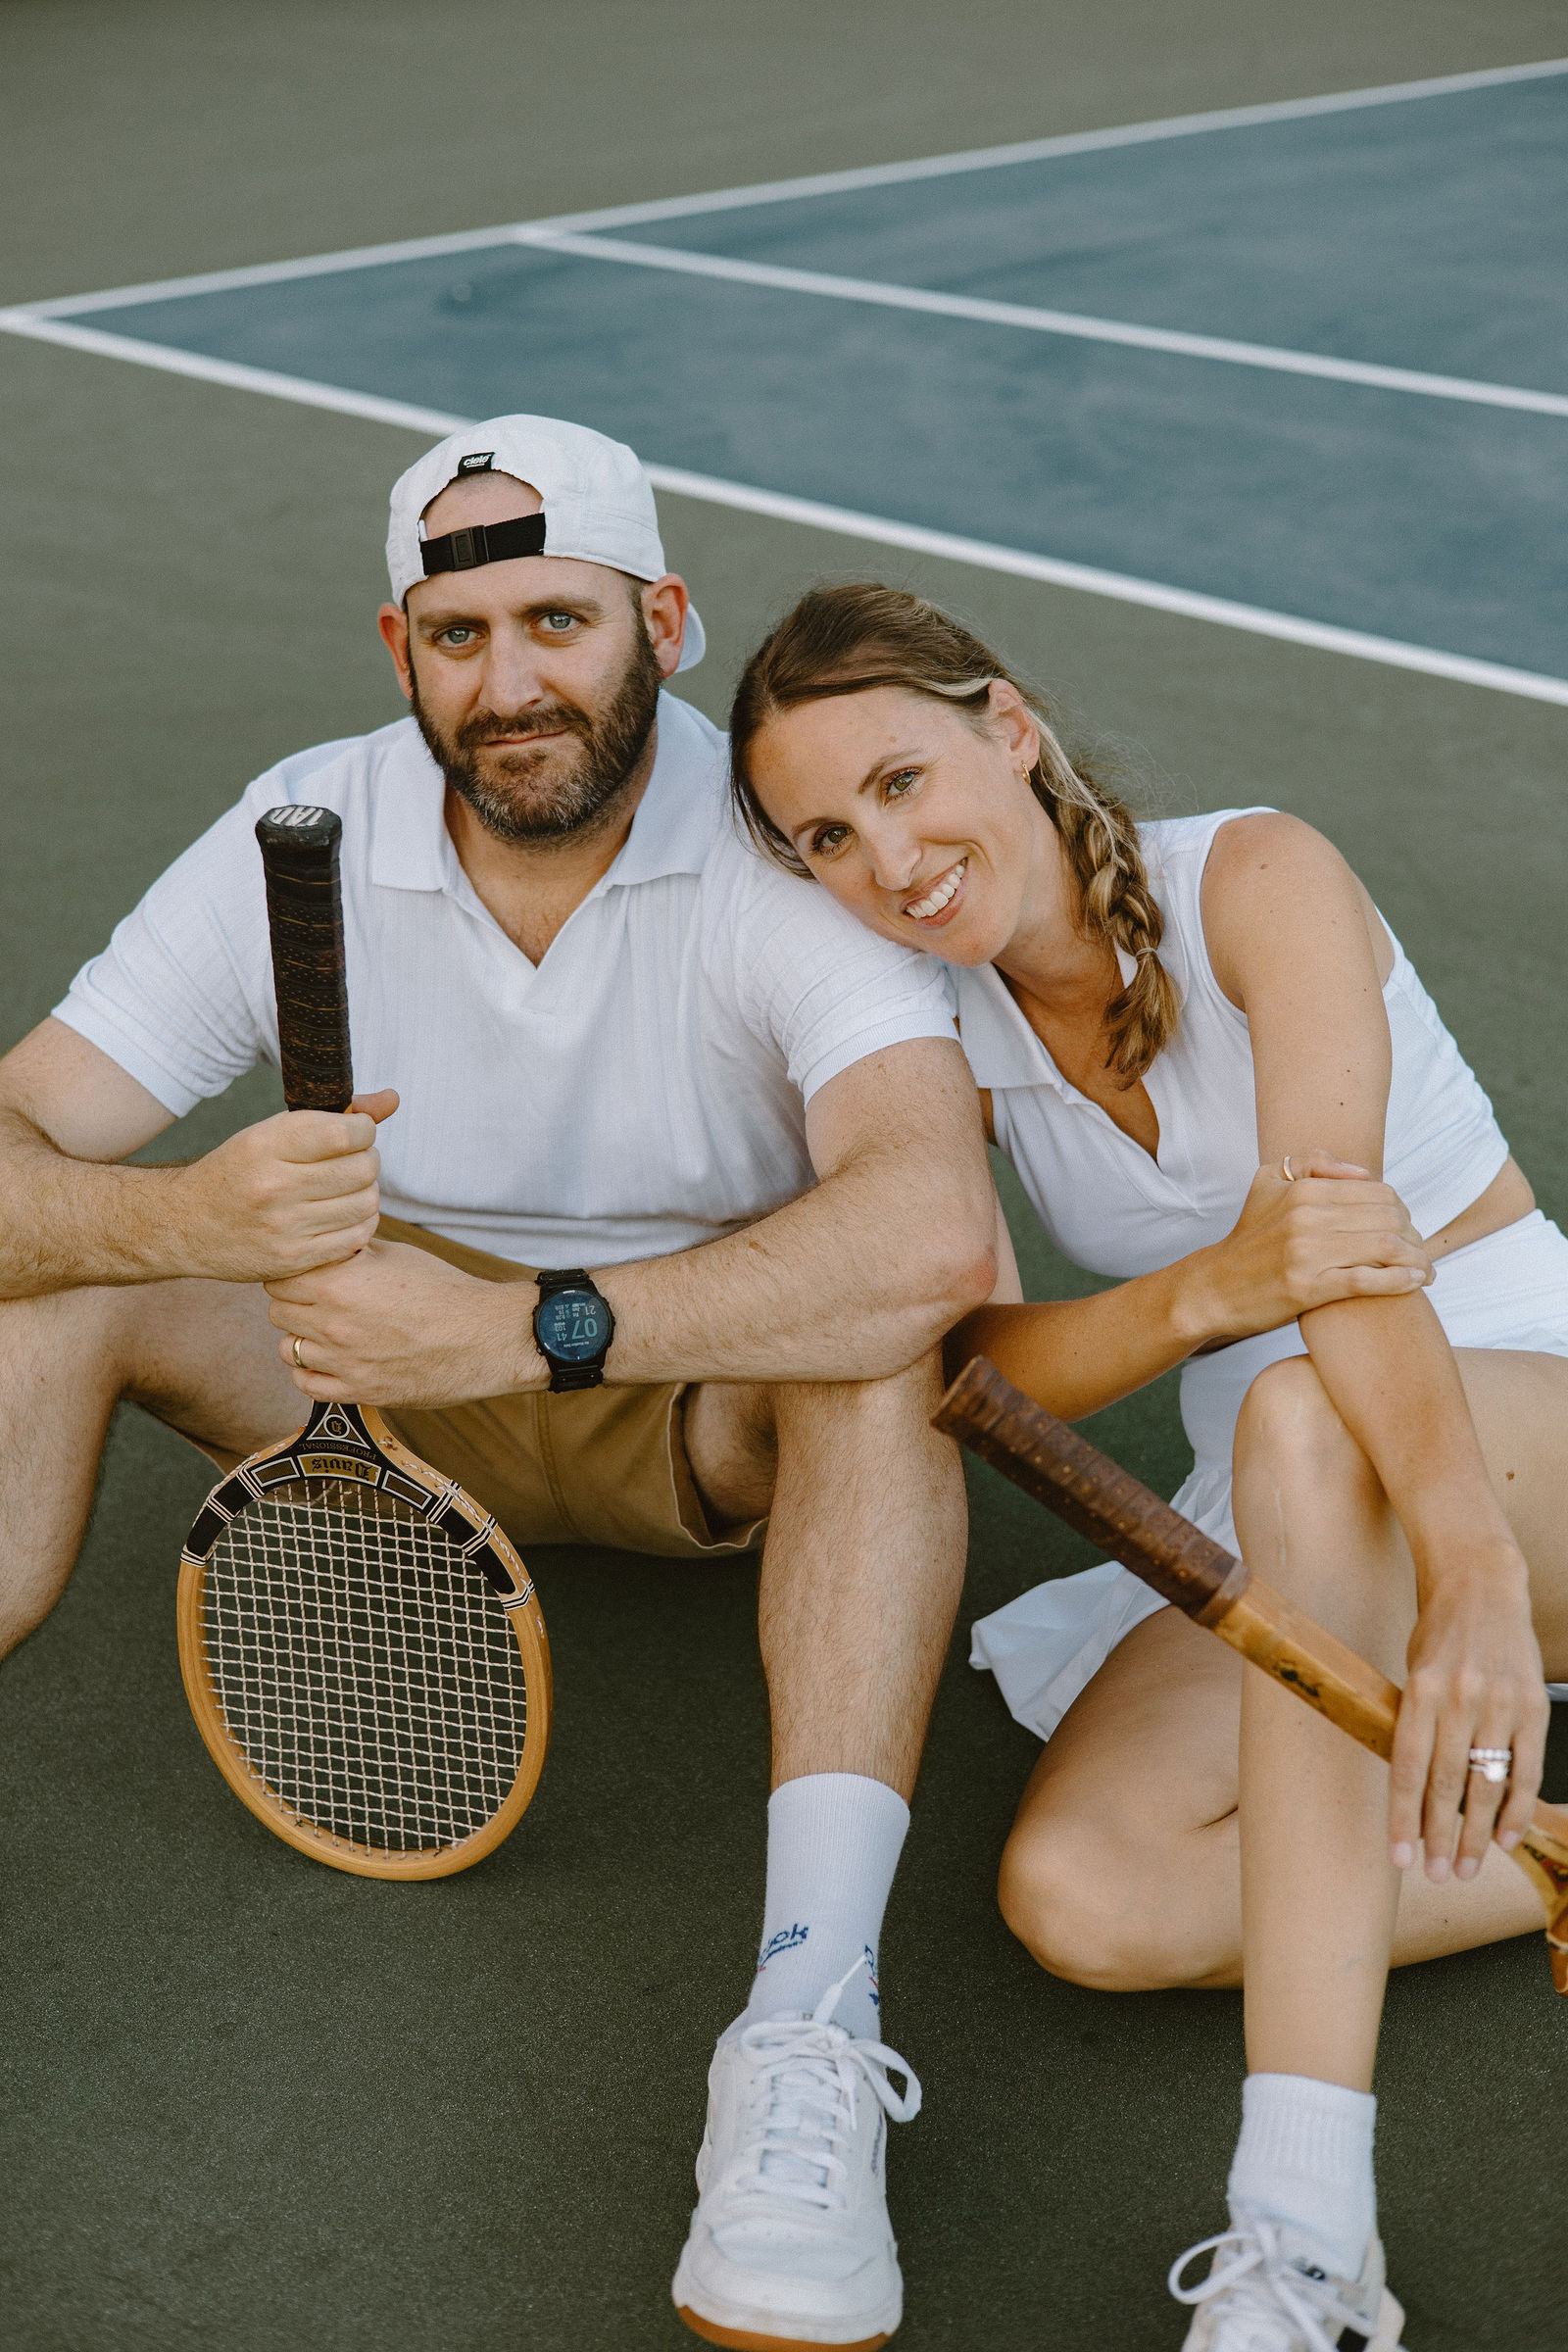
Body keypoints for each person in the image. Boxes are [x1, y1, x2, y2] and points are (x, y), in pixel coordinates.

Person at [0, 428, 1003, 2352]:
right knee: (62, 1261)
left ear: (660, 622)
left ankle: (804, 2022)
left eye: (558, 619)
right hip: (347, 1361)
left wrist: (534, 1325)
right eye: (457, 633)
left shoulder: (770, 838)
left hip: (680, 1389)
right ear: (399, 643)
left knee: (884, 1345)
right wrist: (171, 1206)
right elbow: (21, 1135)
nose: (509, 679)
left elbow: (934, 1228)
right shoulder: (306, 821)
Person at [728, 581, 1568, 2349]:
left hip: (1511, 1421)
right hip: (1296, 1496)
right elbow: (966, 1361)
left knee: (1297, 1412)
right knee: (1082, 1897)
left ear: (1008, 729)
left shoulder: (1256, 878)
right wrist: (1197, 1296)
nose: (885, 856)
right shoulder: (930, 1031)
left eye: (900, 780)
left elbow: (1344, 1268)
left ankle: (1310, 2242)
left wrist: (1475, 1564)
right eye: (824, 833)